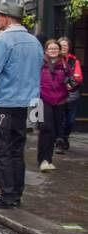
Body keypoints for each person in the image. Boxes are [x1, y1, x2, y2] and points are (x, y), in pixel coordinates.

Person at [0, 1, 43, 209]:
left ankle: (7, 196)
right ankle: (16, 194)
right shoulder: (34, 42)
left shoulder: (3, 41)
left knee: (3, 151)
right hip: (29, 104)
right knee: (17, 150)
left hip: (4, 103)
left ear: (6, 18)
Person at [37, 38, 72, 172]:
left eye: (55, 48)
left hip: (59, 101)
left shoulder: (64, 65)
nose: (53, 51)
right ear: (46, 50)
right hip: (42, 100)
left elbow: (71, 83)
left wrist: (71, 85)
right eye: (51, 48)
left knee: (54, 132)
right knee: (45, 128)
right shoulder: (40, 63)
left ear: (59, 50)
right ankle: (43, 160)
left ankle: (47, 159)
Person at [58, 37, 81, 151]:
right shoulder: (53, 60)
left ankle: (65, 136)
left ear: (69, 47)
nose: (63, 47)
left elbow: (78, 77)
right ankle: (60, 142)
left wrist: (68, 86)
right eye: (61, 45)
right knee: (60, 120)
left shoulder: (74, 61)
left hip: (71, 95)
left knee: (70, 121)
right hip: (57, 95)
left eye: (66, 45)